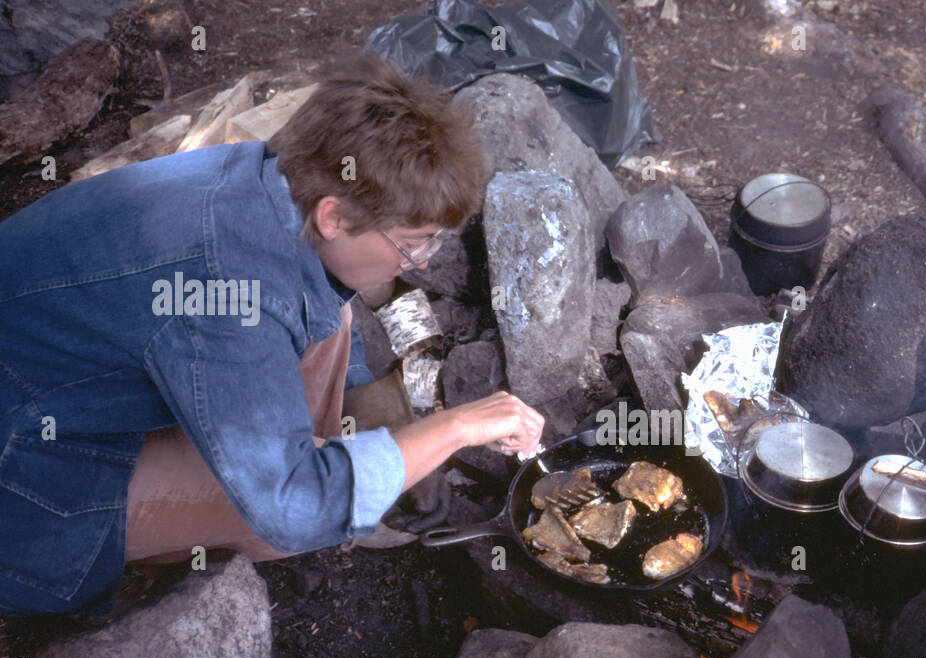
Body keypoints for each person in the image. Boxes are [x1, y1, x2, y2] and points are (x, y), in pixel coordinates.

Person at [0, 54, 544, 618]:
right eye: (414, 243)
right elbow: (294, 504)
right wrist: (449, 430)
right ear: (334, 217)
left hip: (57, 389)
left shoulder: (269, 184)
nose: (424, 264)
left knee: (334, 322)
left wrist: (400, 442)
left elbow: (318, 306)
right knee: (287, 524)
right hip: (24, 479)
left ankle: (327, 468)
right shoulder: (229, 294)